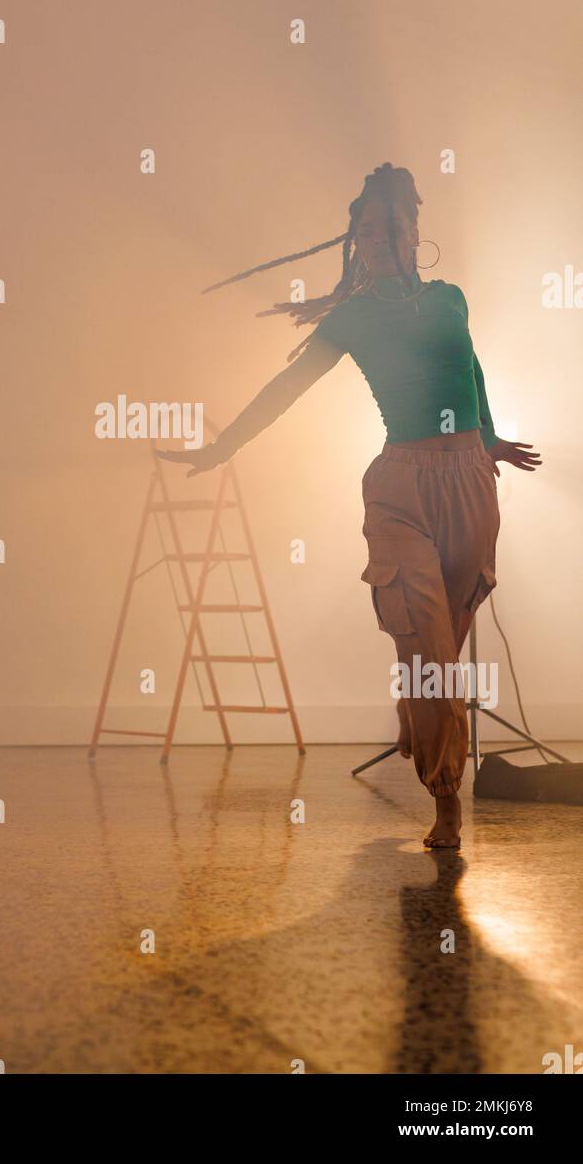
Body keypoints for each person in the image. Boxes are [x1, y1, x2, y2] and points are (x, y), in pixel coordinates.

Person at [157, 163, 541, 848]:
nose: (370, 241)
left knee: (439, 656)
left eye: (384, 227)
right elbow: (287, 386)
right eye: (360, 231)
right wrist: (223, 448)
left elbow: (473, 369)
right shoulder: (352, 317)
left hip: (468, 485)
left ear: (413, 229)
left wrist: (489, 438)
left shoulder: (450, 299)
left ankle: (413, 710)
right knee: (427, 648)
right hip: (398, 490)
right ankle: (445, 801)